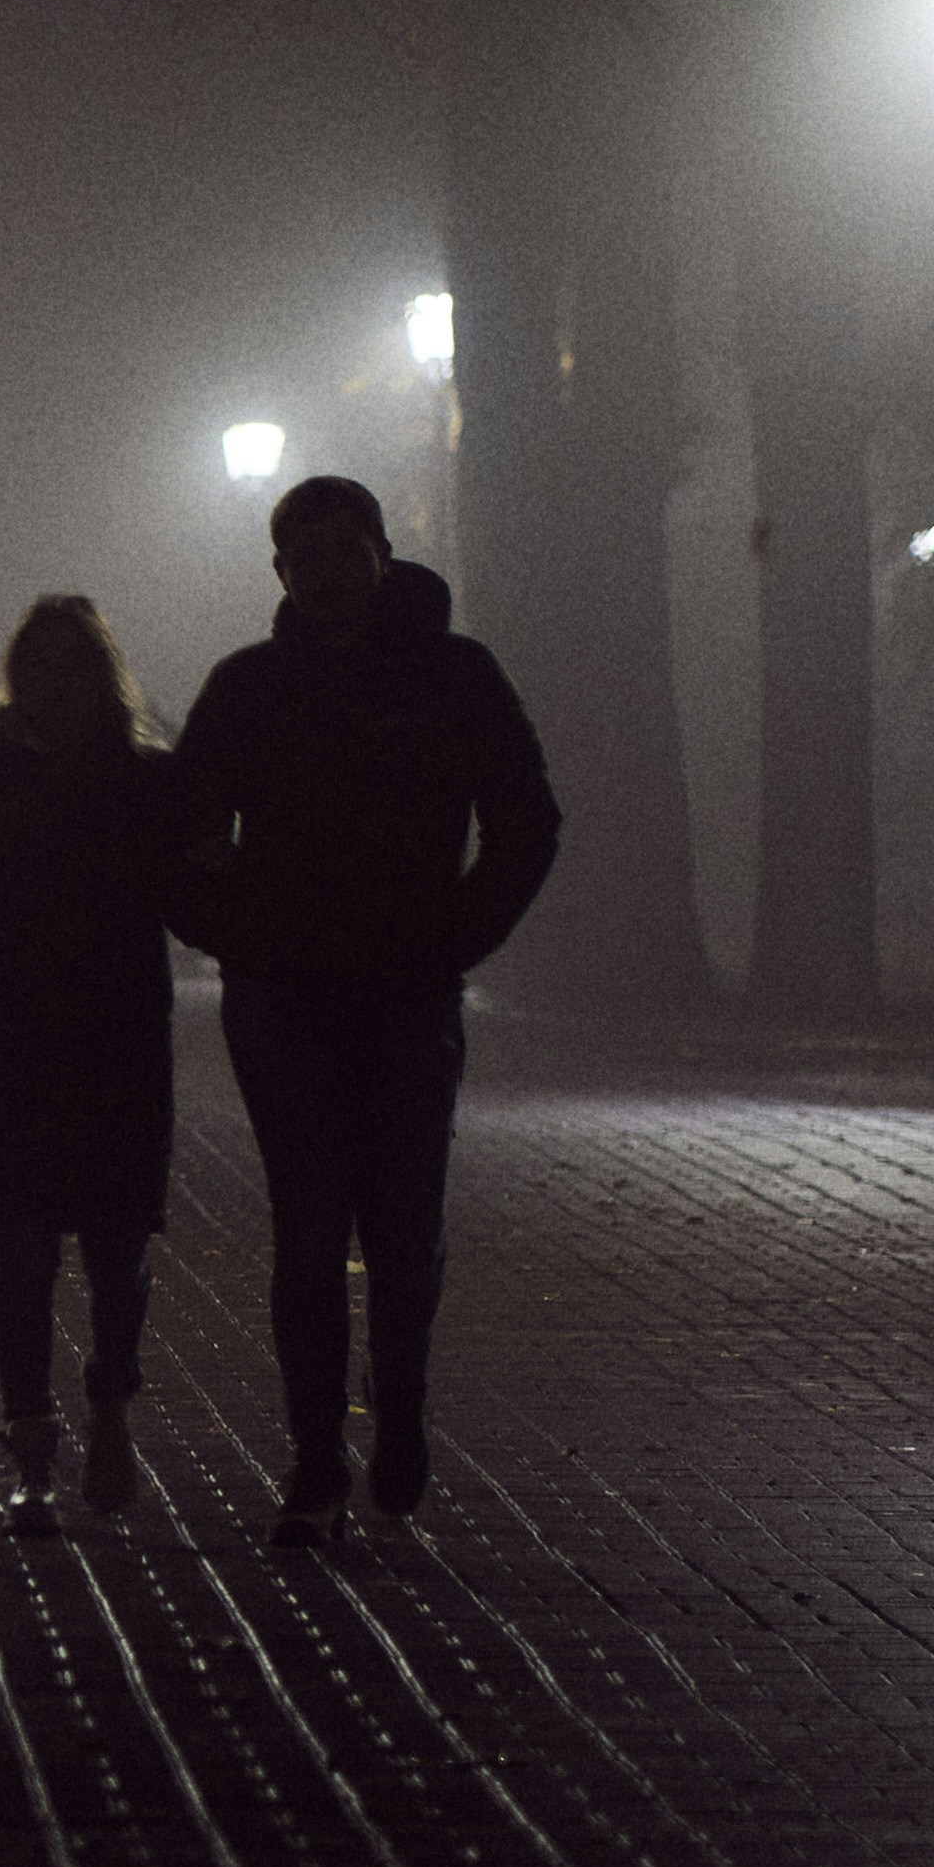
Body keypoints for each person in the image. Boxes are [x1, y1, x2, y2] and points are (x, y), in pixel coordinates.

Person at [167, 474, 560, 1534]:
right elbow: (180, 832)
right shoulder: (248, 687)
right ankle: (313, 1457)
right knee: (305, 1230)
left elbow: (524, 820)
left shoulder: (451, 675)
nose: (327, 574)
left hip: (399, 990)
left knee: (401, 1228)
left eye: (345, 552)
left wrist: (454, 936)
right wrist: (239, 934)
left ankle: (396, 1409)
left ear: (381, 555)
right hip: (286, 996)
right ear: (280, 571)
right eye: (306, 557)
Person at [0, 598, 179, 1528]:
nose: (59, 685)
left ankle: (105, 1409)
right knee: (28, 1253)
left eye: (74, 667)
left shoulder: (142, 784)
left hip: (113, 1044)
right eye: (44, 667)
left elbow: (192, 896)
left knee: (112, 1247)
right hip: (28, 1047)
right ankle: (32, 1433)